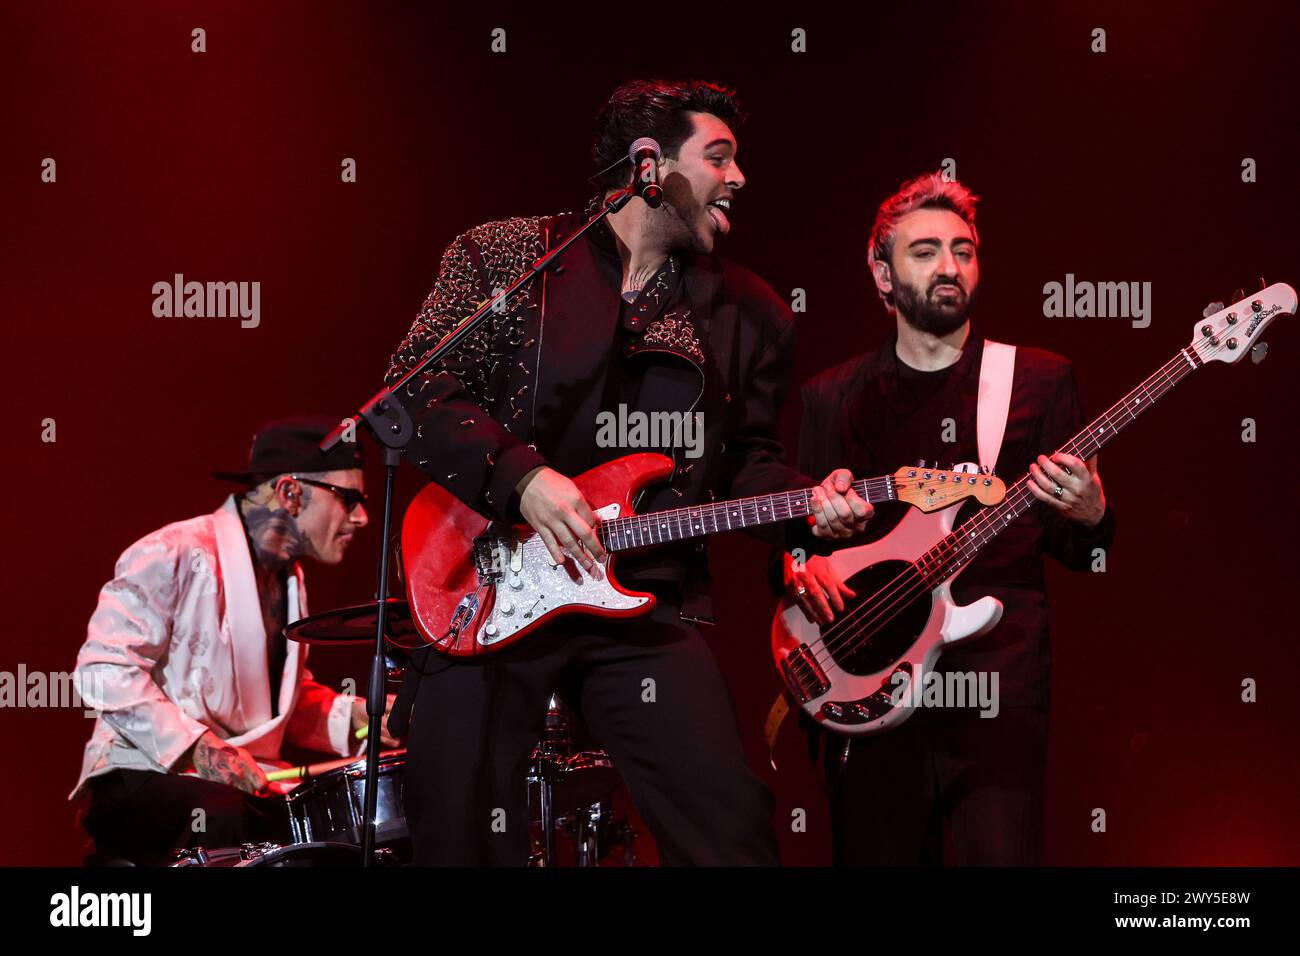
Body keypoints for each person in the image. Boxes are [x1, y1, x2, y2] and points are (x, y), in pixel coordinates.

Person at [385, 79, 871, 865]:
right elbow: (414, 388)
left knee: (728, 825)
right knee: (458, 823)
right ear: (649, 165)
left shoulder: (752, 315)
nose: (739, 178)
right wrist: (522, 477)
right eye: (718, 157)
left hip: (638, 597)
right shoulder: (507, 257)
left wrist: (808, 508)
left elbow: (748, 462)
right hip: (484, 584)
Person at [781, 173, 1117, 865]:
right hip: (867, 684)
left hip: (995, 689)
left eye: (963, 250)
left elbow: (1082, 551)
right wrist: (804, 565)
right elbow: (791, 552)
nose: (949, 267)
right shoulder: (829, 399)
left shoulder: (1038, 381)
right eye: (926, 250)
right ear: (881, 270)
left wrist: (1094, 514)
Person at [70, 414, 396, 865]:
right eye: (349, 499)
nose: (361, 517)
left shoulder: (287, 579)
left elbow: (274, 703)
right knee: (227, 818)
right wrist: (200, 747)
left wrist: (363, 717)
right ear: (290, 493)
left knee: (338, 836)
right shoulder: (173, 550)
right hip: (140, 775)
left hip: (239, 786)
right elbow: (103, 669)